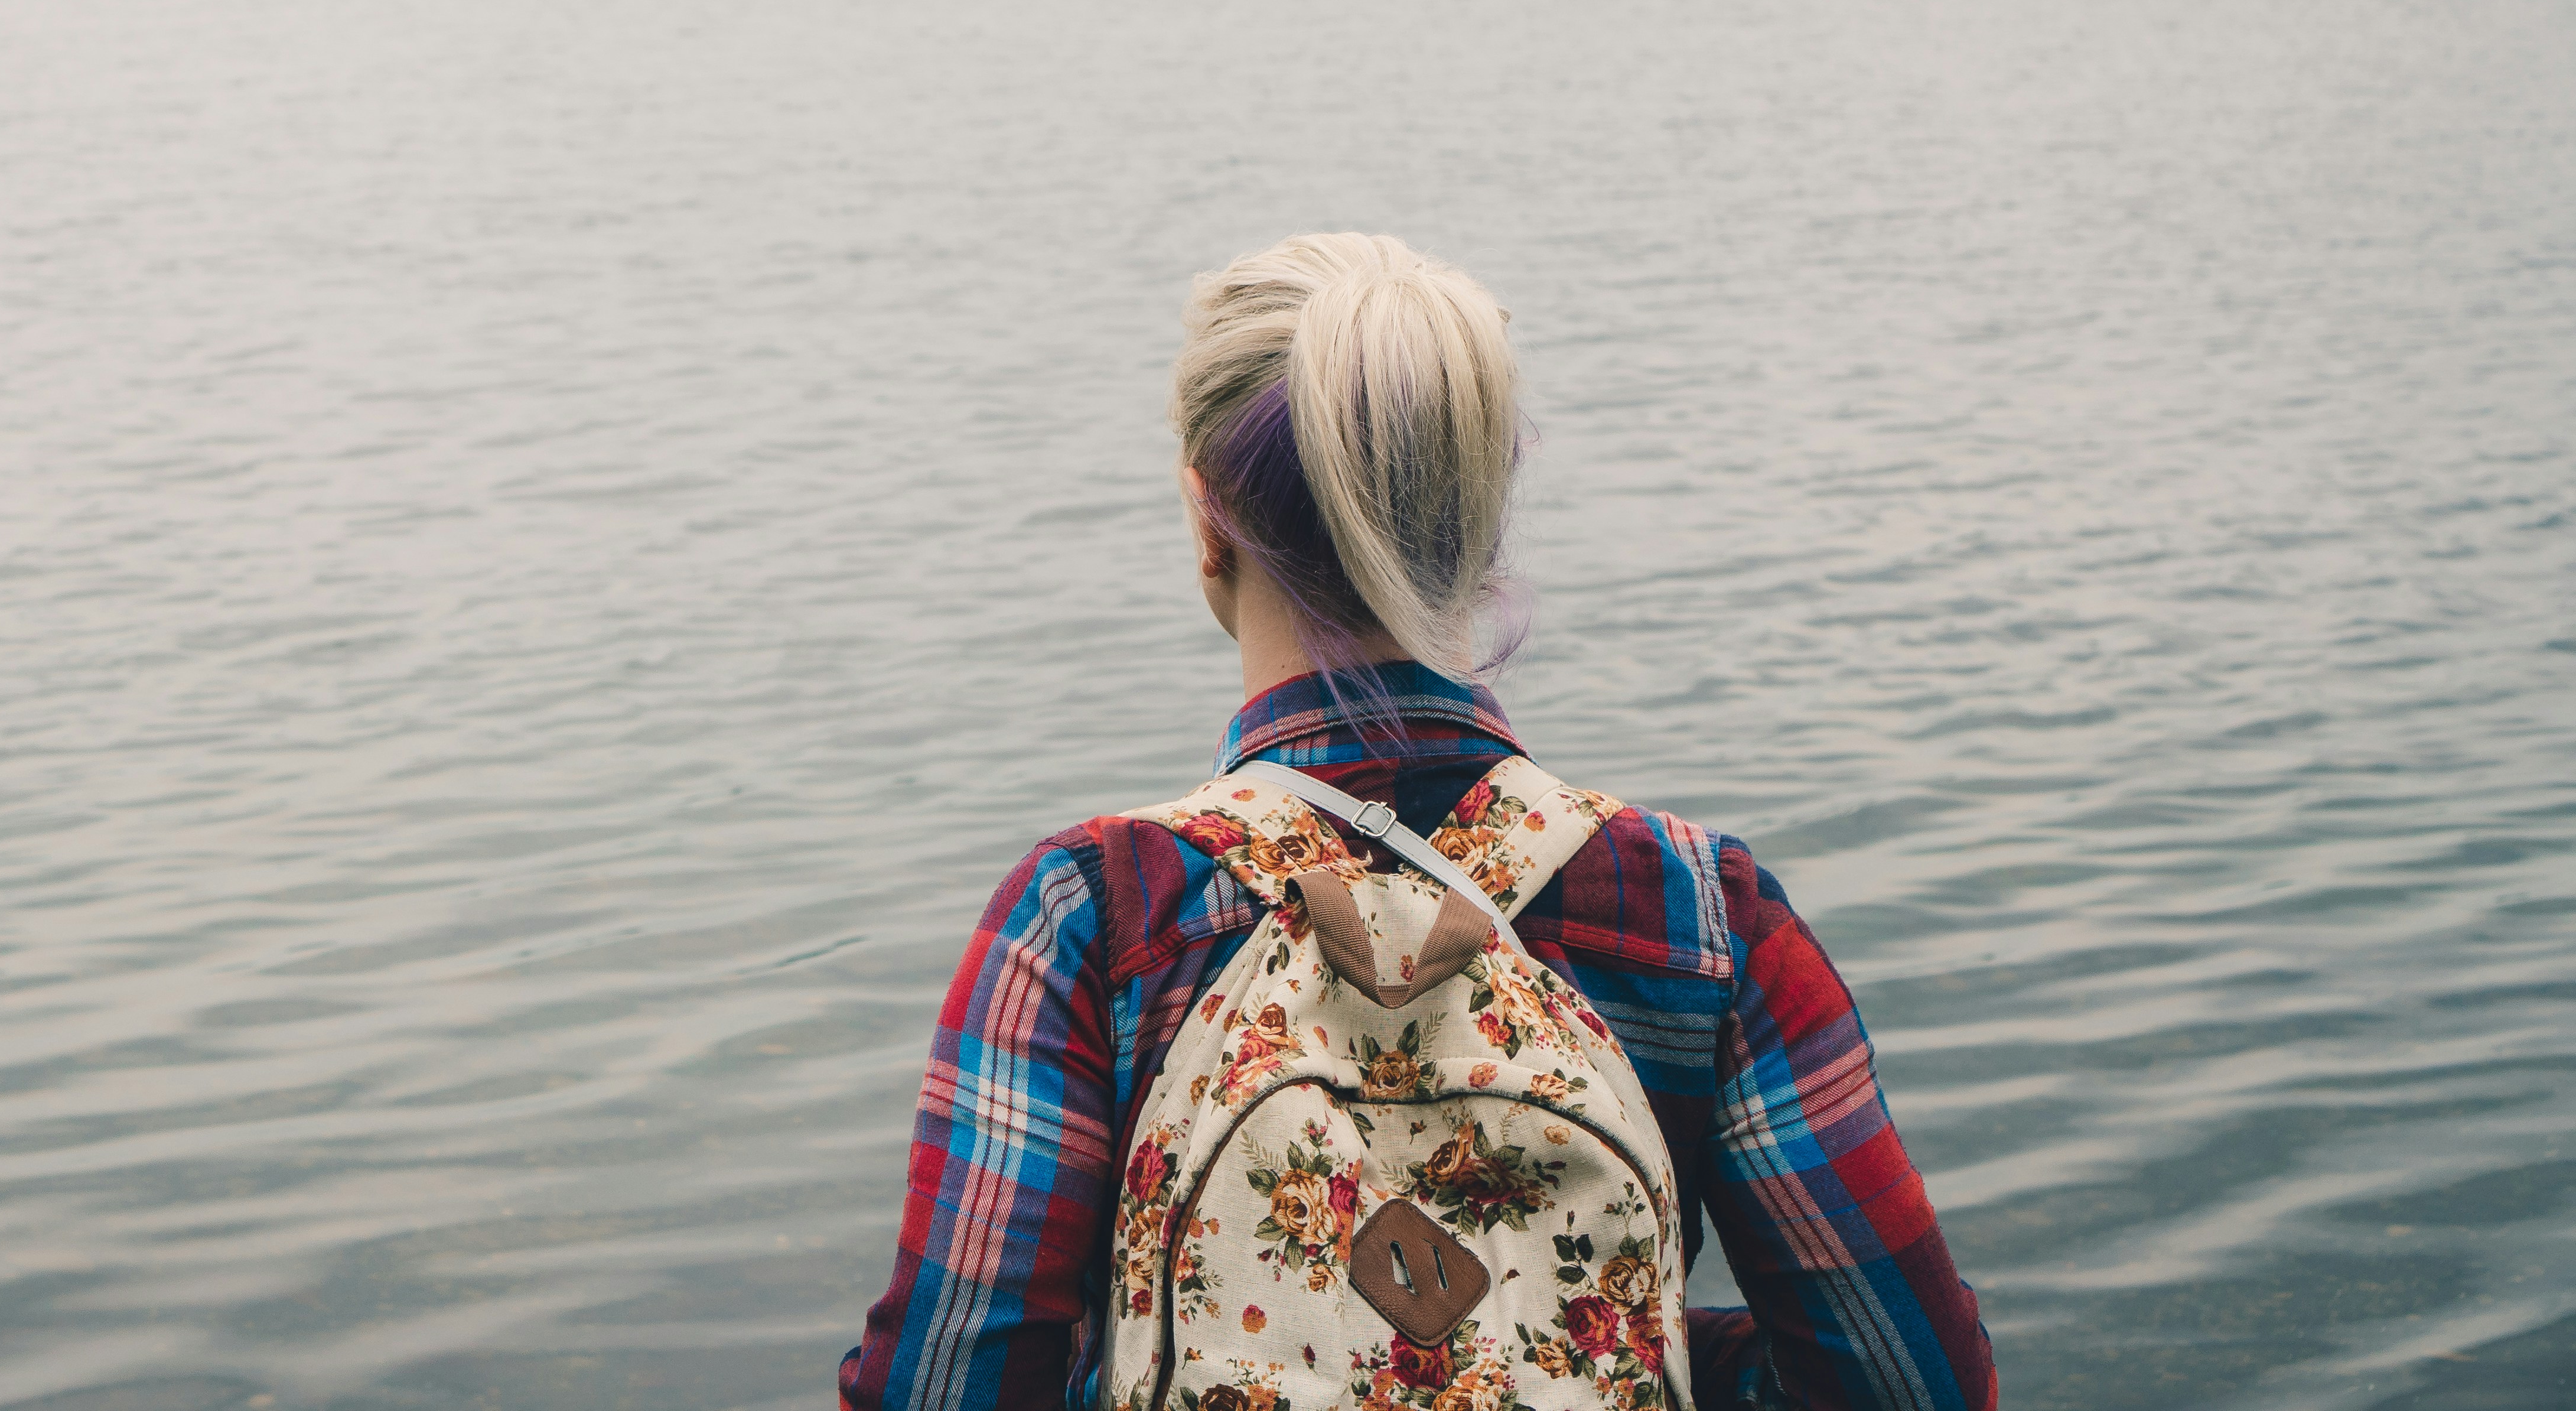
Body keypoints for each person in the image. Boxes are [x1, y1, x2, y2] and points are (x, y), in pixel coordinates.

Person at [840, 235, 1995, 1410]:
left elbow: (943, 1391)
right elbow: (1916, 1388)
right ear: (1488, 513)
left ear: (1206, 518)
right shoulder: (1703, 914)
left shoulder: (1090, 917)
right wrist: (1602, 1334)